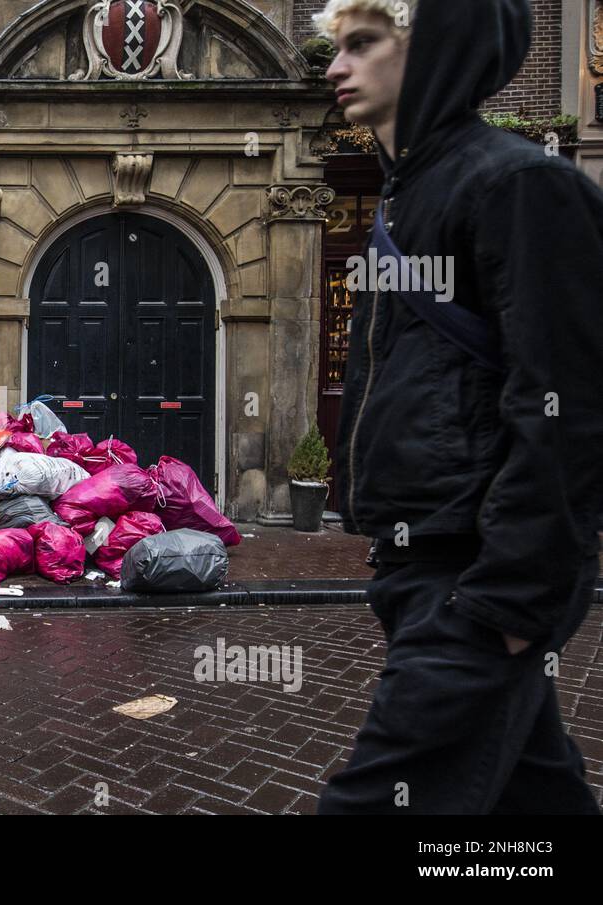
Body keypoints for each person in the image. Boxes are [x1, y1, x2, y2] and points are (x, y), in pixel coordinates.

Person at [314, 0, 603, 814]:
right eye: (337, 47)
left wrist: (508, 601)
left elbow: (569, 405)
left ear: (435, 48)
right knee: (533, 799)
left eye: (364, 44)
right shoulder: (405, 201)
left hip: (471, 575)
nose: (336, 67)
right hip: (420, 567)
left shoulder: (521, 185)